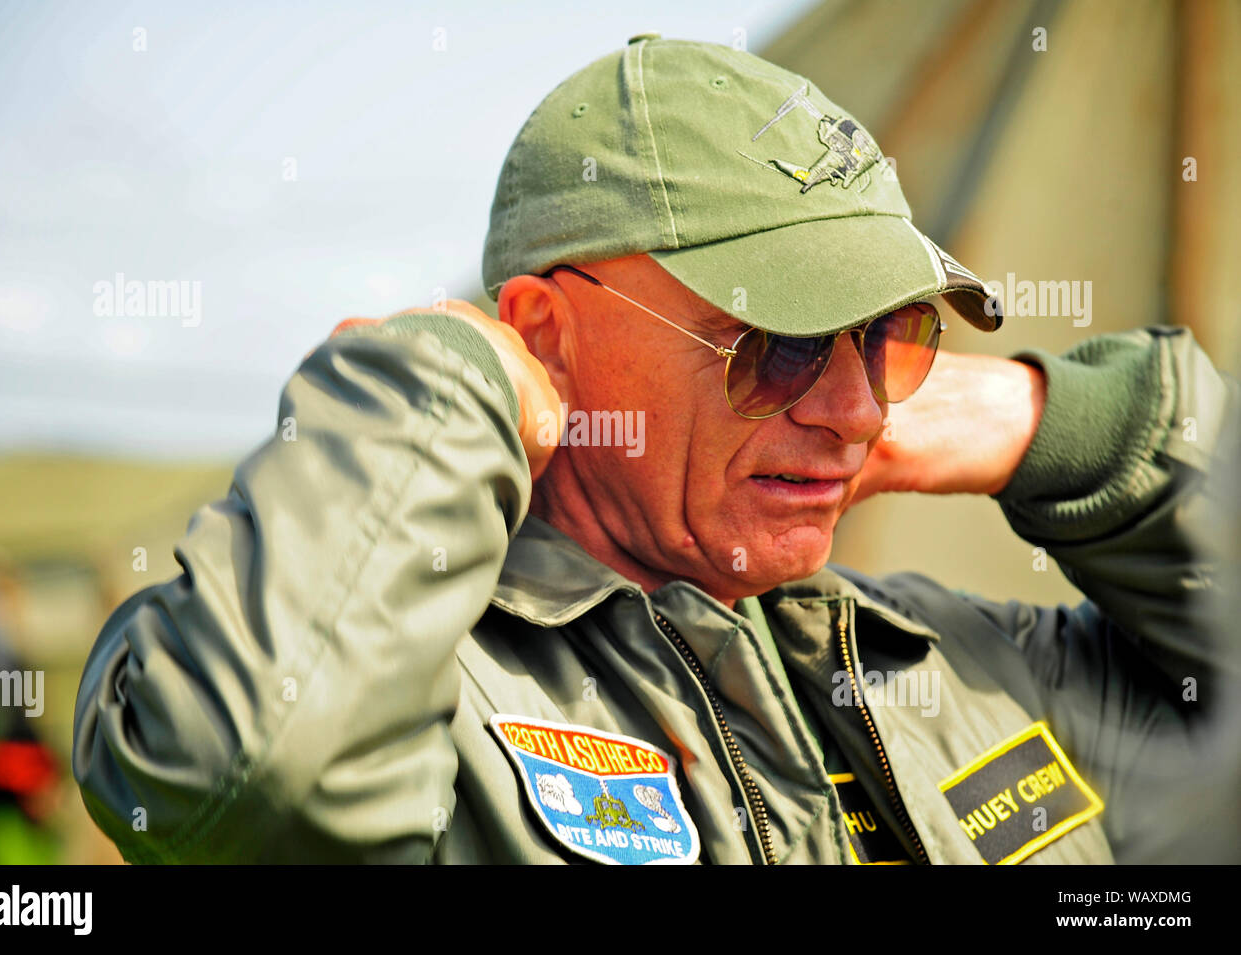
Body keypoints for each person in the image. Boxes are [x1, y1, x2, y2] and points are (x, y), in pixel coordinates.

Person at [72, 36, 1238, 864]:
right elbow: (245, 774)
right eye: (782, 341)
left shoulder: (956, 661)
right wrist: (441, 383)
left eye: (889, 335)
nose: (854, 408)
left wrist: (1057, 423)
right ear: (545, 336)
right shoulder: (420, 699)